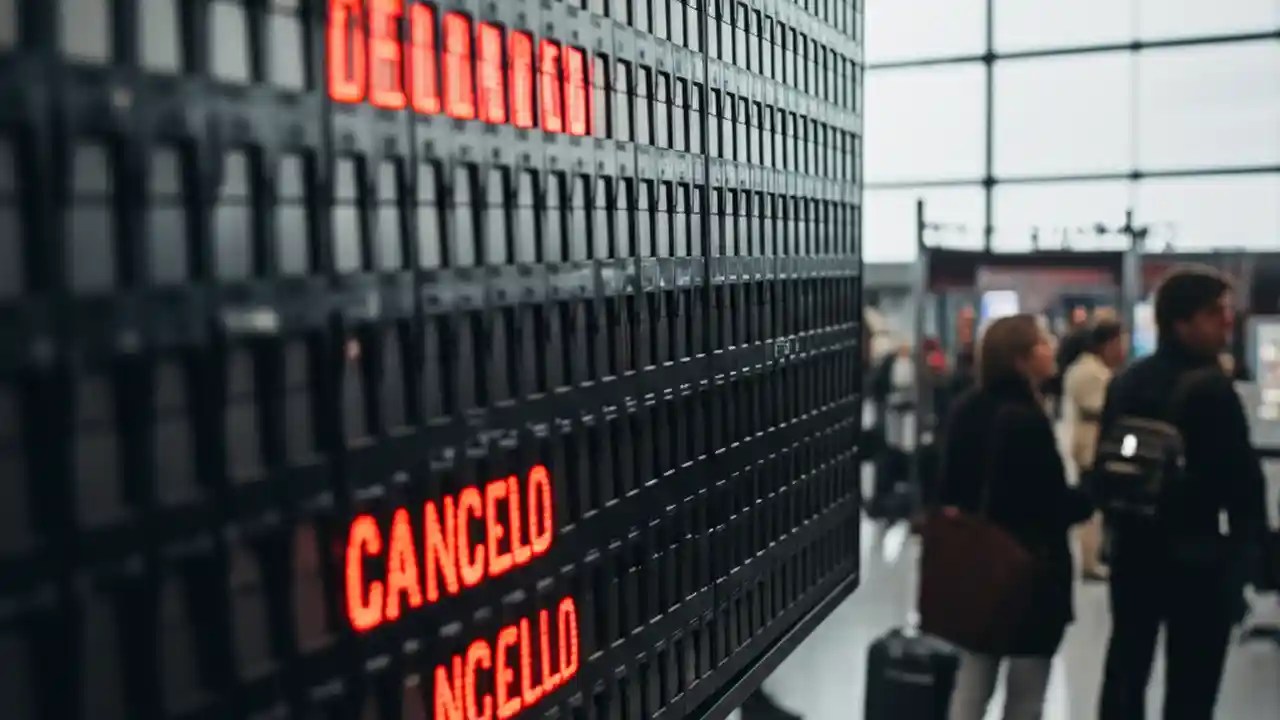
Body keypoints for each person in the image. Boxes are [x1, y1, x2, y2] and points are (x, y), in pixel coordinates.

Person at [1097, 268, 1270, 720]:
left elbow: (1107, 466)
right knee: (1192, 683)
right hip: (1198, 556)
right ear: (1181, 321)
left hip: (1133, 548)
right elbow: (1240, 480)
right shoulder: (1212, 389)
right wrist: (1246, 557)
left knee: (1126, 669)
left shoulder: (1126, 382)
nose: (1226, 324)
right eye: (1215, 314)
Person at [939, 315, 1094, 720]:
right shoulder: (1027, 419)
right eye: (1044, 342)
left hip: (976, 566)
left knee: (972, 681)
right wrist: (1093, 496)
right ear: (1022, 358)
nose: (1053, 347)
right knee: (1026, 693)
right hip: (1031, 570)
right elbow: (1051, 504)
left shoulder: (965, 408)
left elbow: (948, 489)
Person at [1062, 319, 1128, 581]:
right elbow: (1101, 407)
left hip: (1093, 446)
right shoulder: (1090, 372)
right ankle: (1090, 560)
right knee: (1093, 509)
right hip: (1091, 448)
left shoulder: (1095, 370)